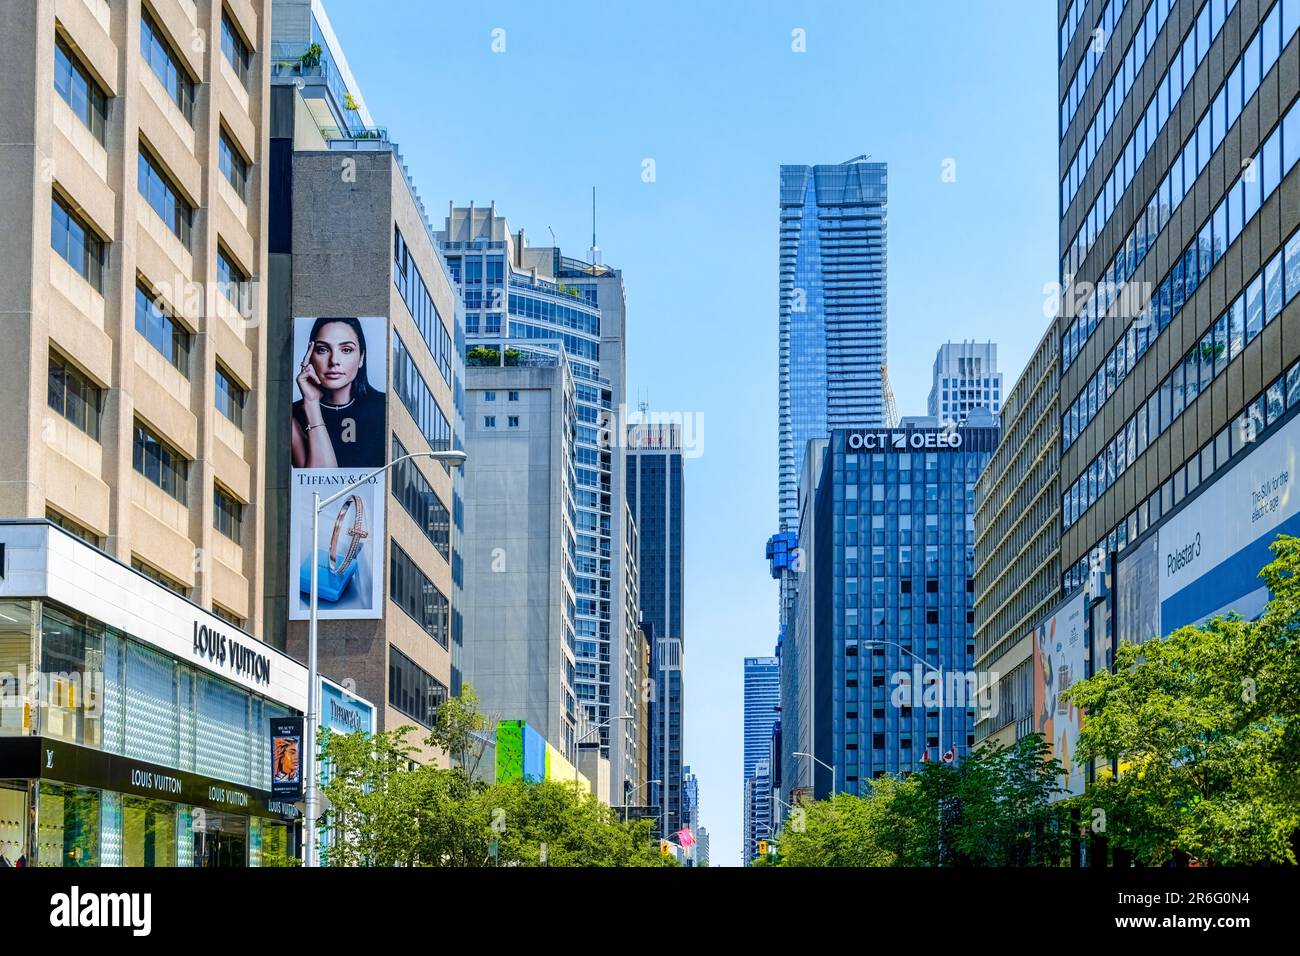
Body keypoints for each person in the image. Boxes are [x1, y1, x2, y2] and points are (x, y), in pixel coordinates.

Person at [291, 318, 385, 468]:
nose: (334, 360)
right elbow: (319, 483)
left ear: (361, 358)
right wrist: (312, 404)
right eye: (323, 350)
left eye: (346, 350)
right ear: (310, 357)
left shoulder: (383, 408)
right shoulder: (292, 416)